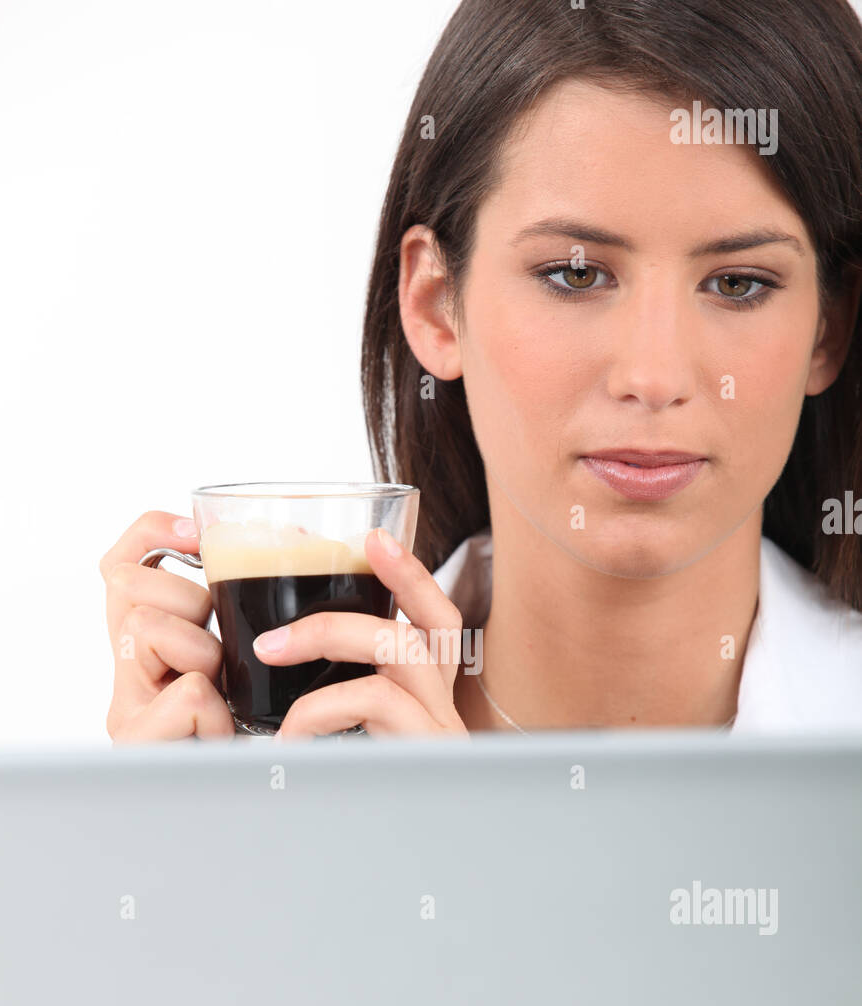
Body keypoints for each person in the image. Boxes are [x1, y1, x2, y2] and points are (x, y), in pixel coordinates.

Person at [100, 0, 862, 742]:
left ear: (830, 328)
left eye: (738, 284)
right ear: (435, 305)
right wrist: (196, 836)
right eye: (576, 275)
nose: (653, 376)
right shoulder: (281, 750)